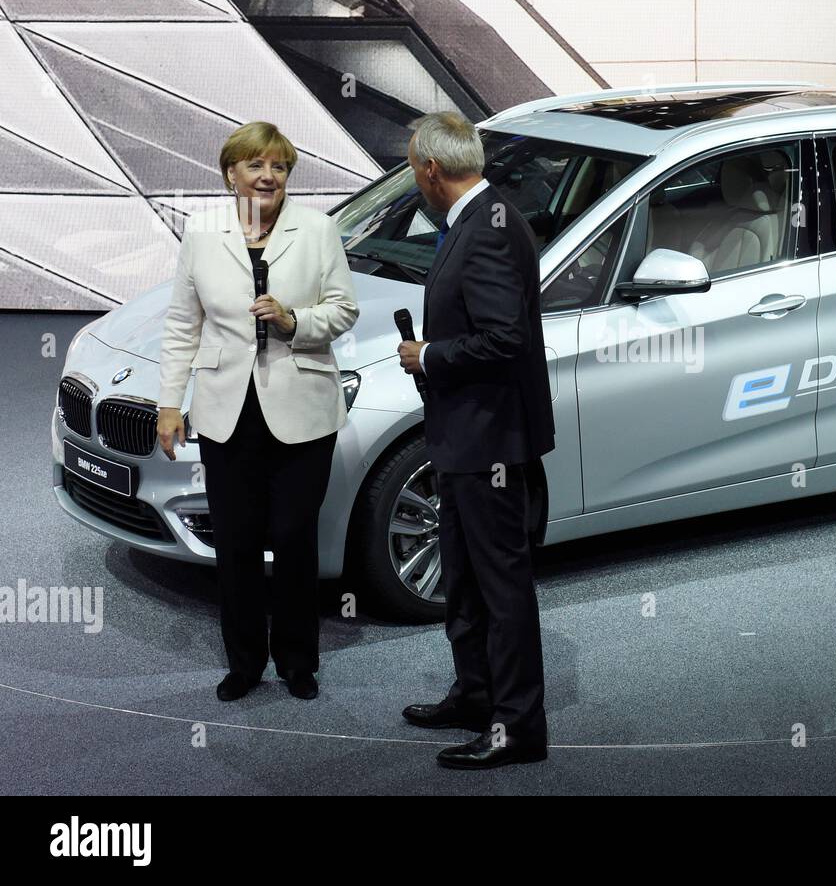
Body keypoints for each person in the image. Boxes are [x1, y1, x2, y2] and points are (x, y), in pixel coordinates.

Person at [156, 121, 359, 702]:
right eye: (256, 165)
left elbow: (344, 311)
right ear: (230, 175)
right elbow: (181, 324)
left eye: (279, 167)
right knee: (237, 541)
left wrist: (295, 320)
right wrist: (171, 402)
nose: (268, 176)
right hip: (226, 408)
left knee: (294, 535)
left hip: (302, 406)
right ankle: (244, 662)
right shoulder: (201, 232)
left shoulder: (318, 230)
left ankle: (298, 660)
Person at [397, 112, 555, 769]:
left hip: (488, 442)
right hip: (466, 437)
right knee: (463, 580)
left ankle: (517, 729)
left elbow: (504, 339)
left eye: (413, 167)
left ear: (431, 170)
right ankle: (476, 693)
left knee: (500, 586)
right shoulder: (479, 219)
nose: (414, 178)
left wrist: (429, 356)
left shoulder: (486, 230)